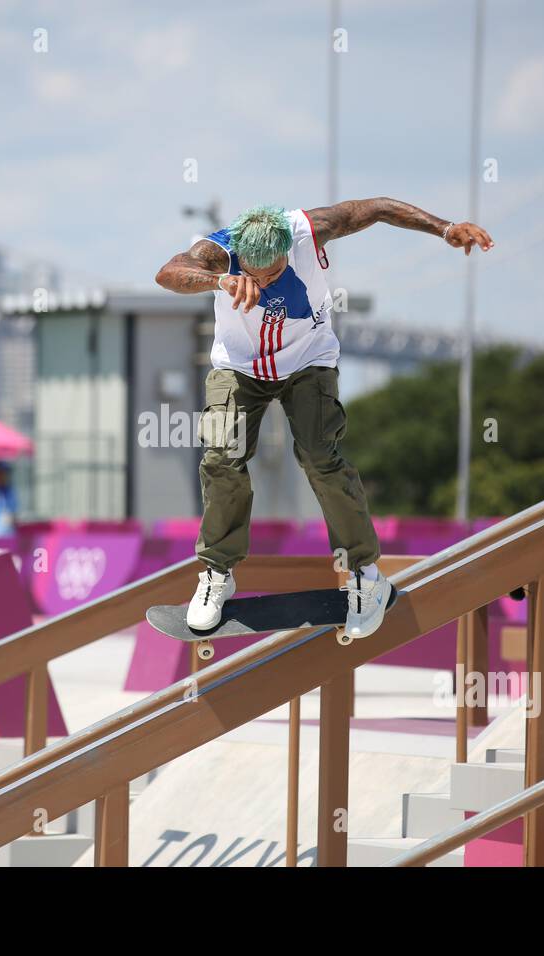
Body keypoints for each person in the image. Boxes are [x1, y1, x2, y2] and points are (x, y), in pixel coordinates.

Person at [155, 199, 493, 637]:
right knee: (221, 456)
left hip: (307, 362)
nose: (264, 282)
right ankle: (218, 571)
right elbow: (168, 273)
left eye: (275, 272)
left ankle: (365, 574)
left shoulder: (309, 230)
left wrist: (446, 228)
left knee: (319, 456)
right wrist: (220, 279)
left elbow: (379, 209)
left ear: (286, 248)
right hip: (239, 366)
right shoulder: (219, 250)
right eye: (254, 276)